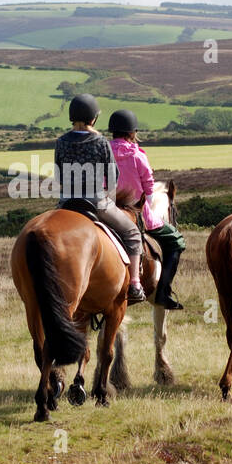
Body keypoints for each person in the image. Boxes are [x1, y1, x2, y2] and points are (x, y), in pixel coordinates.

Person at [54, 94, 145, 303]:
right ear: (93, 118)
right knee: (132, 233)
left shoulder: (61, 142)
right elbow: (113, 178)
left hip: (66, 203)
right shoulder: (100, 141)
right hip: (96, 203)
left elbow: (59, 176)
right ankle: (135, 284)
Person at [107, 109, 186, 310]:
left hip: (107, 211)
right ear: (132, 132)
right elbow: (150, 189)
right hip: (137, 213)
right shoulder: (137, 155)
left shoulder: (103, 152)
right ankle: (163, 293)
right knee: (176, 241)